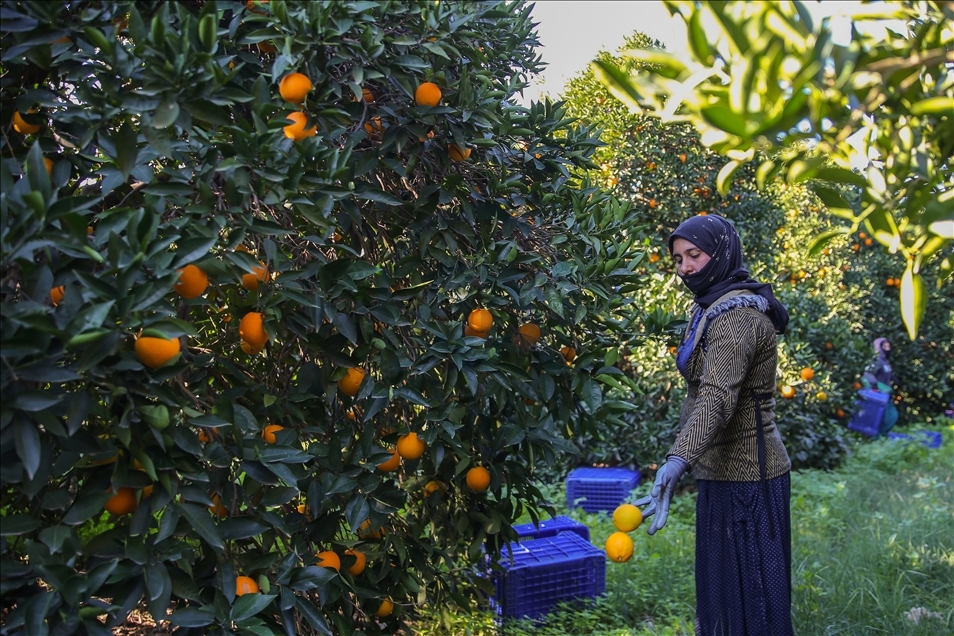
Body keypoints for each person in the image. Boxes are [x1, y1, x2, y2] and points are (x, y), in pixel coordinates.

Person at [635, 214, 793, 636]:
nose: (685, 267)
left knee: (753, 599)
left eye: (694, 255)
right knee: (723, 598)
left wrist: (676, 461)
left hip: (749, 479)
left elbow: (717, 399)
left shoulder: (736, 317)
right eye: (678, 259)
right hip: (719, 474)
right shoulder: (709, 307)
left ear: (720, 254)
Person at [862, 337, 898, 435]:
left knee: (891, 416)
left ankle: (883, 434)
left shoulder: (885, 361)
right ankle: (878, 436)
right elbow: (868, 374)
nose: (888, 349)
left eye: (889, 346)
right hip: (879, 393)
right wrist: (874, 385)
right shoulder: (876, 360)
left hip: (886, 393)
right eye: (885, 346)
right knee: (888, 416)